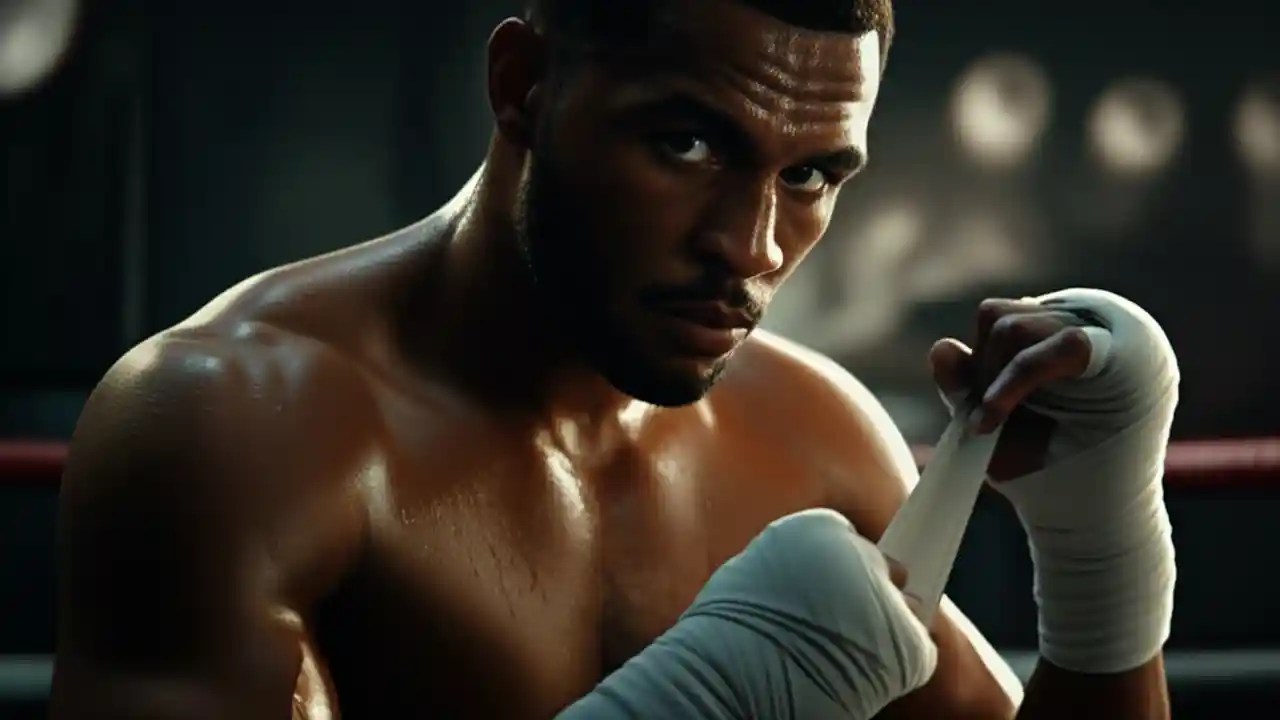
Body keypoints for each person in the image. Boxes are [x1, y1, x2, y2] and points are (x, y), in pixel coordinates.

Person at [49, 1, 1177, 718]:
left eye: (811, 176)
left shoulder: (814, 442)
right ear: (524, 85)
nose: (748, 247)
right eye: (684, 143)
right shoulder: (241, 429)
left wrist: (1098, 555)